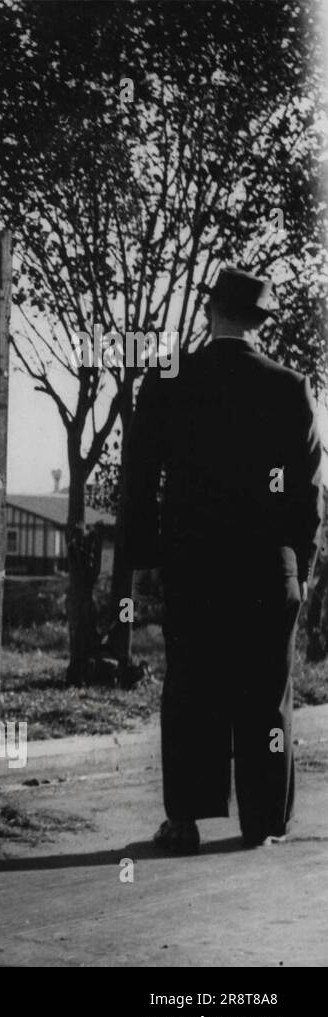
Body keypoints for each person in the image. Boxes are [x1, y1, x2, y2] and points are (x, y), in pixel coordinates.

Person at [122, 267, 322, 853]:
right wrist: (303, 568)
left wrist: (147, 558)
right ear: (260, 324)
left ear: (210, 312)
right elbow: (308, 493)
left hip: (194, 566)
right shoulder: (292, 386)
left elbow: (139, 477)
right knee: (266, 697)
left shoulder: (170, 379)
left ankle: (184, 820)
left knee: (190, 689)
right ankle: (262, 823)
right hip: (268, 568)